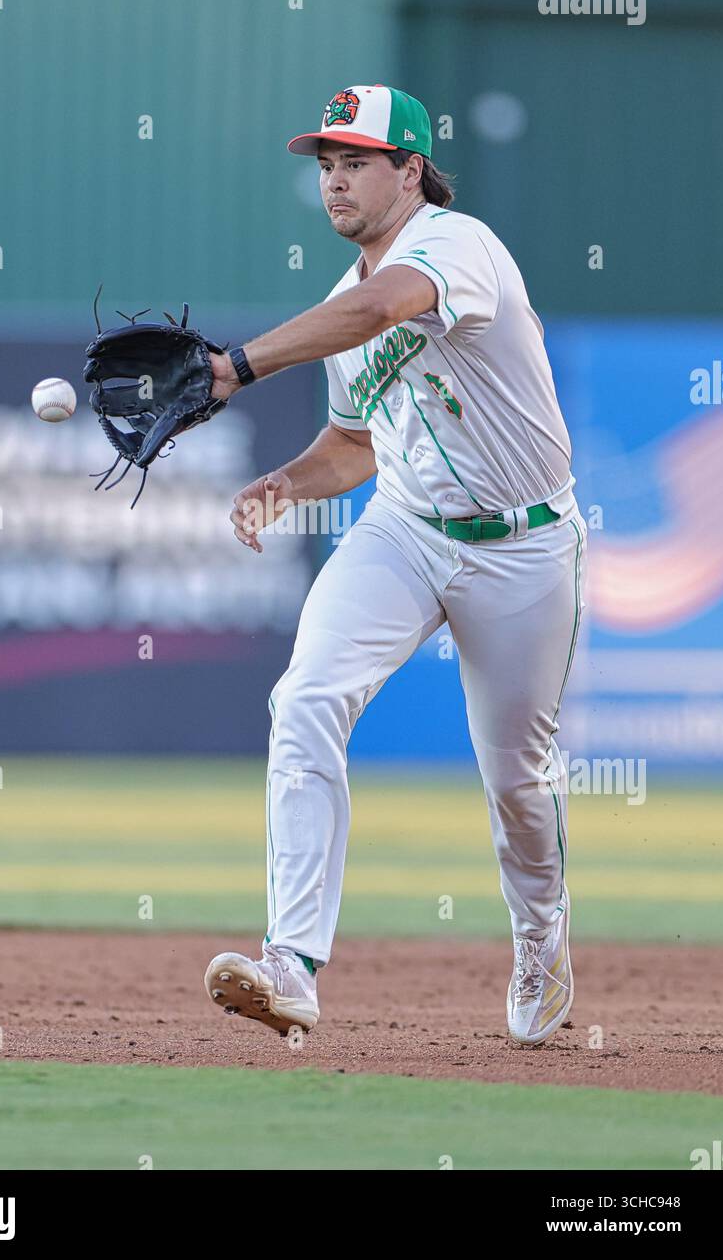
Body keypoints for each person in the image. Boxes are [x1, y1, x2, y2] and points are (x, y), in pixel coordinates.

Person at [203, 84, 585, 1046]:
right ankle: (290, 964)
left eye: (355, 162)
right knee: (304, 700)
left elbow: (385, 306)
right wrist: (285, 482)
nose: (334, 180)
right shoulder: (340, 303)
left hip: (526, 543)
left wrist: (235, 367)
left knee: (516, 783)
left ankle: (540, 938)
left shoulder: (455, 244)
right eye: (324, 165)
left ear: (410, 171)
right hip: (405, 529)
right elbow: (353, 441)